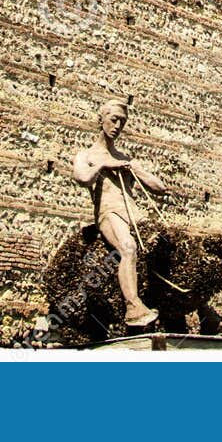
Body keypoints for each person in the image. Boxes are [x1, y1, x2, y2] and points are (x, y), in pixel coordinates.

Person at [73, 100, 169, 328]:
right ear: (101, 120)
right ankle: (133, 307)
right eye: (113, 119)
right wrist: (102, 165)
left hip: (133, 214)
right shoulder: (86, 154)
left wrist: (133, 169)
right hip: (109, 213)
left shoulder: (125, 158)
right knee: (127, 247)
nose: (117, 126)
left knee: (169, 247)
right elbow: (82, 178)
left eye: (122, 122)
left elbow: (160, 188)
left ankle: (207, 315)